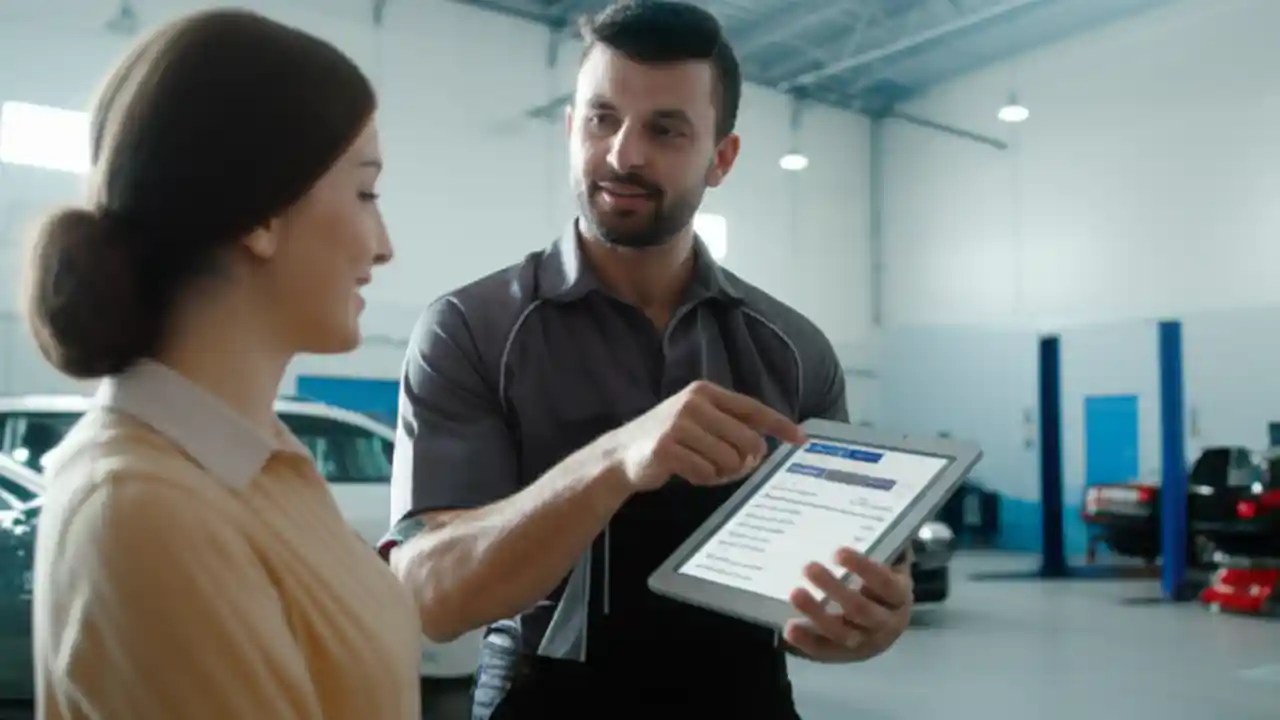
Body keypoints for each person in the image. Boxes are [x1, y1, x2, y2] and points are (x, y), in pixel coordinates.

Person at [381, 1, 913, 717]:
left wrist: (866, 623)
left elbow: (815, 602)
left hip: (746, 699)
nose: (625, 153)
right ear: (571, 129)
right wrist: (616, 459)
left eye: (665, 130)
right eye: (601, 119)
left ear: (720, 159)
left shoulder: (794, 351)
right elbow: (430, 600)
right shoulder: (471, 330)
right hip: (543, 700)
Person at [23, 9, 421, 719]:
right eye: (364, 193)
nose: (383, 245)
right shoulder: (145, 510)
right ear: (260, 214)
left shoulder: (260, 464)